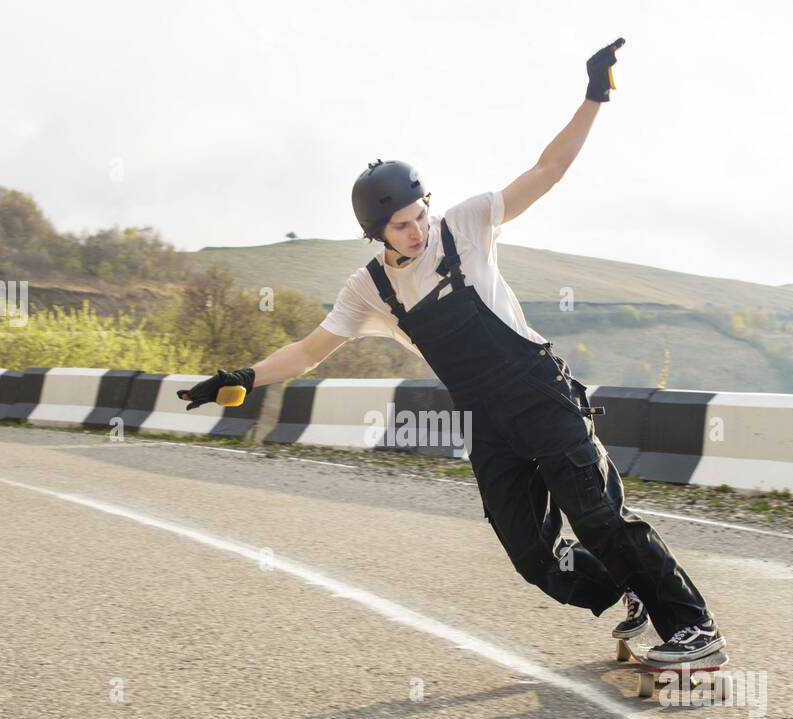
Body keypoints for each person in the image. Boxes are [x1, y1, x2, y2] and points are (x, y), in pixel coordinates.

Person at [179, 38, 723, 662]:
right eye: (402, 224)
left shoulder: (465, 226)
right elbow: (309, 351)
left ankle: (694, 628)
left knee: (598, 517)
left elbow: (546, 173)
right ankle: (625, 592)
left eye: (421, 213)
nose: (418, 229)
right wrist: (243, 375)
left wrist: (594, 96)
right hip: (489, 421)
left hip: (540, 394)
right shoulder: (371, 288)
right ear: (375, 233)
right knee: (530, 553)